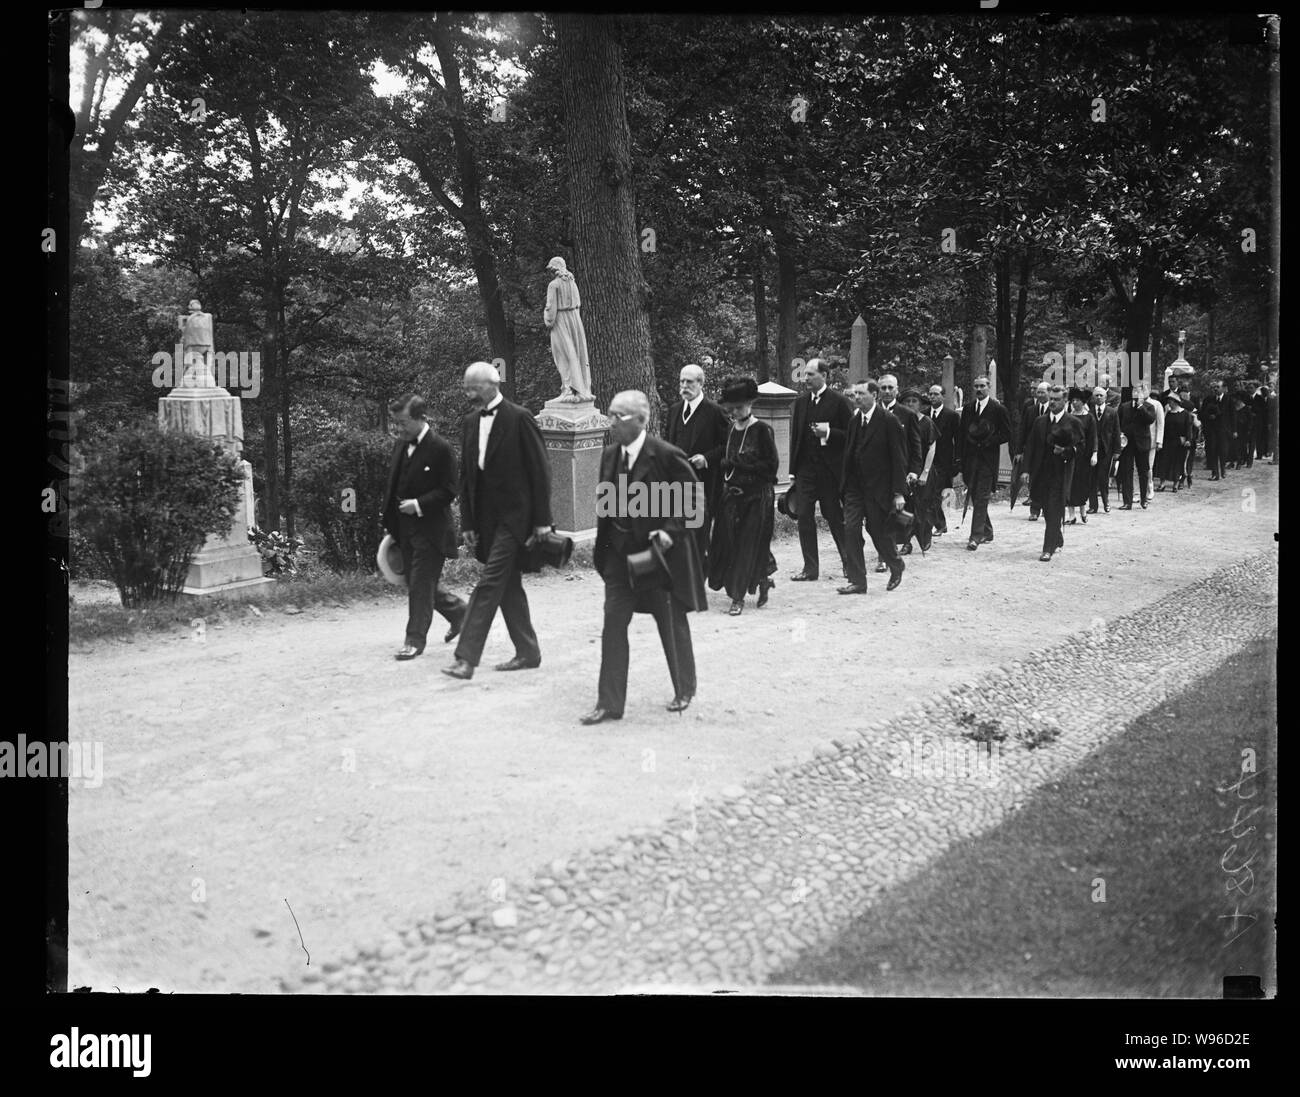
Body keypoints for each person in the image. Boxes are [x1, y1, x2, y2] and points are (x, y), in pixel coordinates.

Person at [581, 390, 706, 725]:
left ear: (640, 419)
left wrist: (669, 530)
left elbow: (693, 502)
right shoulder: (609, 456)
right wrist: (605, 553)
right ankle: (609, 703)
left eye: (616, 417)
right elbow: (605, 507)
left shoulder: (664, 455)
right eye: (609, 415)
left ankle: (684, 687)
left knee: (669, 622)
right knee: (613, 624)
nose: (610, 424)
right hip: (619, 558)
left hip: (657, 557)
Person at [444, 362, 553, 681]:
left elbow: (540, 472)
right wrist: (467, 524)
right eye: (466, 388)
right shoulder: (469, 422)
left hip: (516, 520)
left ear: (493, 385)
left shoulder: (520, 418)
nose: (468, 395)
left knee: (489, 583)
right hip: (486, 522)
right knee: (508, 586)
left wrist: (543, 520)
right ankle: (528, 652)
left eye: (473, 388)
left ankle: (465, 658)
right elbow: (466, 479)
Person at [382, 395, 467, 660]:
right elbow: (394, 486)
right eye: (395, 423)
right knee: (418, 582)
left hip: (432, 532)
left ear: (421, 418)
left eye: (403, 422)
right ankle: (460, 612)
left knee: (419, 585)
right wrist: (390, 524)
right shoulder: (400, 445)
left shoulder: (441, 448)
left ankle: (414, 640)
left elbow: (450, 490)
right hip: (404, 531)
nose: (398, 428)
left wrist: (418, 504)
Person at [707, 376, 778, 616]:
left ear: (750, 404)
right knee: (728, 543)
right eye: (732, 408)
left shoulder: (762, 430)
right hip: (732, 497)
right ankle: (763, 577)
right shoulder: (730, 429)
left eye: (739, 407)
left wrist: (742, 464)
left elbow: (771, 468)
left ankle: (737, 597)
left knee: (746, 546)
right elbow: (726, 458)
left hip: (757, 498)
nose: (735, 412)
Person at [838, 380, 907, 593]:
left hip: (879, 489)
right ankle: (858, 581)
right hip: (854, 489)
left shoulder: (888, 421)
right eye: (855, 394)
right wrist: (844, 485)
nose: (857, 398)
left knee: (878, 531)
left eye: (862, 393)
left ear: (874, 395)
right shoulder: (854, 421)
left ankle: (895, 564)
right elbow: (849, 454)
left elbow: (899, 458)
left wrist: (898, 493)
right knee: (850, 530)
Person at [788, 358, 852, 581]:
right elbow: (795, 437)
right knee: (804, 515)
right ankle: (810, 568)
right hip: (806, 470)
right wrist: (793, 471)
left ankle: (849, 562)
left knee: (834, 516)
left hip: (829, 472)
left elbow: (851, 436)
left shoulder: (840, 402)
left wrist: (829, 433)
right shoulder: (801, 402)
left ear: (824, 376)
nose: (806, 379)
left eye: (810, 375)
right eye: (805, 374)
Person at [664, 363, 729, 567]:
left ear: (700, 383)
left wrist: (707, 458)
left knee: (698, 531)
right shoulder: (674, 410)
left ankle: (698, 578)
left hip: (703, 483)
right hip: (677, 484)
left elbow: (728, 445)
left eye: (689, 382)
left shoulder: (714, 412)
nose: (684, 386)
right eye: (681, 381)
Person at [1022, 384, 1082, 561]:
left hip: (1061, 472)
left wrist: (1065, 451)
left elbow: (1080, 447)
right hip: (1041, 472)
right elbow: (1030, 446)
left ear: (1065, 401)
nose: (1053, 403)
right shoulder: (1040, 421)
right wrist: (1026, 470)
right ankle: (1057, 537)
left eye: (1057, 400)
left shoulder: (1073, 422)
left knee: (1055, 507)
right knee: (1047, 508)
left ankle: (1047, 548)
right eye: (1051, 399)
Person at [957, 373, 1011, 551]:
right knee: (974, 494)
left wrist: (989, 441)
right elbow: (962, 434)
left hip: (988, 460)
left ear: (989, 387)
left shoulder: (998, 409)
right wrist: (960, 459)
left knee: (982, 496)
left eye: (982, 386)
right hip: (970, 459)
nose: (979, 390)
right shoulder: (968, 408)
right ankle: (987, 530)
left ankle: (975, 536)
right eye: (976, 387)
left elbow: (1007, 433)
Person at [876, 373, 923, 567]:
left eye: (890, 388)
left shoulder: (907, 414)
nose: (886, 391)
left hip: (898, 474)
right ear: (878, 390)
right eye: (883, 388)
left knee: (891, 513)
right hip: (875, 475)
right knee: (877, 516)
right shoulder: (870, 412)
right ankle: (886, 551)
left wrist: (914, 471)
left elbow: (915, 447)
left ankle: (886, 556)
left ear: (896, 389)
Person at [543, 256, 592, 398]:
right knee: (576, 352)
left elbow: (551, 307)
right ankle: (581, 388)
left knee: (563, 354)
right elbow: (578, 302)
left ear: (555, 268)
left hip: (561, 320)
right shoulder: (572, 283)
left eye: (551, 269)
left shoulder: (554, 285)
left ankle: (568, 388)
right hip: (575, 320)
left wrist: (548, 320)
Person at [900, 389, 937, 552]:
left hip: (924, 469)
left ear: (920, 404)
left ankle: (925, 536)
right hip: (904, 469)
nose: (910, 404)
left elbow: (932, 448)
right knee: (905, 508)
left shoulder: (926, 422)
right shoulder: (899, 421)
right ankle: (906, 541)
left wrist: (925, 472)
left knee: (923, 506)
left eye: (914, 401)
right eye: (907, 401)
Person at [925, 384, 960, 535]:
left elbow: (958, 440)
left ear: (943, 397)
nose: (932, 397)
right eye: (930, 394)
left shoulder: (951, 416)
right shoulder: (924, 414)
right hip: (927, 461)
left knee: (936, 494)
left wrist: (957, 462)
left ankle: (940, 525)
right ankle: (939, 524)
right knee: (928, 494)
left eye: (936, 394)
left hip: (944, 462)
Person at [1117, 384, 1157, 509]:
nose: (1135, 393)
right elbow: (1117, 423)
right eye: (1134, 390)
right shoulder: (1124, 406)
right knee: (1126, 471)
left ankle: (1144, 499)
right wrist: (1120, 435)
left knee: (1143, 471)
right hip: (1127, 444)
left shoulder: (1149, 407)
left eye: (1138, 391)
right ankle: (1127, 502)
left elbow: (1150, 420)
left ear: (1143, 393)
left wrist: (1140, 406)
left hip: (1142, 443)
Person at [1017, 381, 1051, 520]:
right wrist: (1019, 450)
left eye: (1043, 392)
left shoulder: (1054, 410)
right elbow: (1023, 430)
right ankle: (1035, 509)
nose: (1040, 394)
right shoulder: (1031, 410)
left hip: (1049, 451)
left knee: (1048, 480)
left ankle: (1047, 508)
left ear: (1049, 393)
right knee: (1035, 480)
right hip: (1034, 450)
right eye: (1039, 392)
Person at [1065, 387, 1097, 524]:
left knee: (1082, 484)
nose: (1075, 402)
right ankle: (1071, 515)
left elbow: (1094, 437)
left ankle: (1083, 510)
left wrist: (1094, 454)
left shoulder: (1089, 418)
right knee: (1070, 484)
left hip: (1084, 456)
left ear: (1083, 402)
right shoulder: (1069, 416)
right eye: (1073, 400)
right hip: (1071, 454)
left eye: (1078, 400)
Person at [1088, 386, 1121, 514]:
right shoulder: (1089, 412)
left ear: (1106, 397)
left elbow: (1116, 432)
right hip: (1092, 451)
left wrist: (1117, 450)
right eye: (1096, 395)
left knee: (1103, 477)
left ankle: (1106, 502)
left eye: (1101, 395)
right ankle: (1093, 505)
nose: (1099, 397)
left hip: (1107, 450)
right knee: (1092, 478)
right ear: (1093, 397)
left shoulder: (1112, 412)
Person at [1154, 392, 1192, 492]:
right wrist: (1166, 412)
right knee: (1164, 462)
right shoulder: (1168, 413)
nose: (1168, 403)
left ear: (1175, 402)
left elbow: (1188, 428)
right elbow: (1162, 425)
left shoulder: (1185, 414)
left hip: (1179, 442)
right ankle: (1162, 484)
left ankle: (1175, 484)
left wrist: (1188, 439)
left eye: (1170, 401)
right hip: (1167, 441)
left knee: (1177, 463)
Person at [1200, 379, 1234, 480]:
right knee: (1213, 450)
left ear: (1223, 388)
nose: (1215, 389)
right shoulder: (1208, 399)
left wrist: (1234, 430)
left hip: (1224, 430)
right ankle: (1215, 473)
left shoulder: (1229, 400)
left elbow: (1233, 416)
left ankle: (1223, 468)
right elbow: (1201, 414)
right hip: (1212, 430)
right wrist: (1208, 416)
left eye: (1218, 387)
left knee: (1223, 451)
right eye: (1214, 387)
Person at [1231, 393, 1254, 469]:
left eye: (1235, 399)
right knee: (1236, 446)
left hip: (1244, 430)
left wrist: (1249, 429)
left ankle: (1242, 461)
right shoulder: (1233, 408)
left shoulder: (1246, 408)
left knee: (1242, 446)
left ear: (1239, 400)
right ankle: (1238, 460)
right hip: (1235, 429)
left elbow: (1250, 420)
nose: (1233, 401)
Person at [1252, 384, 1271, 459]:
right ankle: (1260, 454)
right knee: (1259, 438)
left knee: (1264, 438)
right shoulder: (1258, 398)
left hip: (1265, 422)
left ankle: (1265, 453)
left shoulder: (1268, 399)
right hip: (1260, 421)